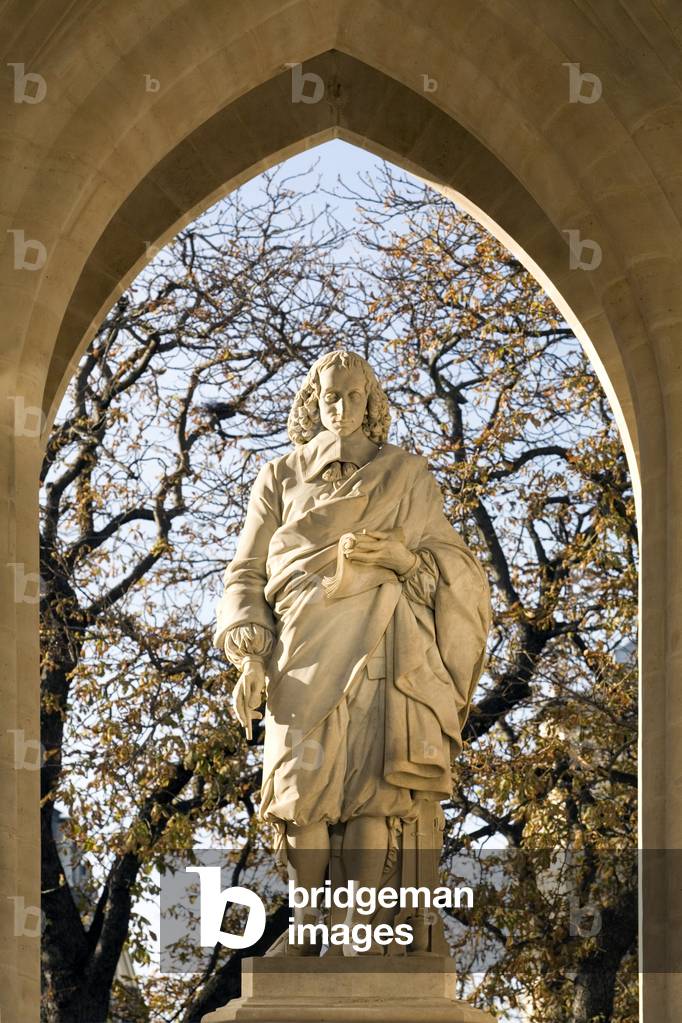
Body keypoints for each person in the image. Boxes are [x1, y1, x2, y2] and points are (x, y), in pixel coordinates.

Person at [214, 349, 491, 955]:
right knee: (298, 795)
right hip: (300, 651)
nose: (340, 409)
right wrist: (251, 656)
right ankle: (310, 927)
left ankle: (358, 928)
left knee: (374, 791)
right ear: (313, 402)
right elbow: (245, 574)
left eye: (352, 397)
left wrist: (401, 560)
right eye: (329, 397)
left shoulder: (406, 474)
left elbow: (452, 566)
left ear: (372, 403)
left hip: (386, 645)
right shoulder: (281, 476)